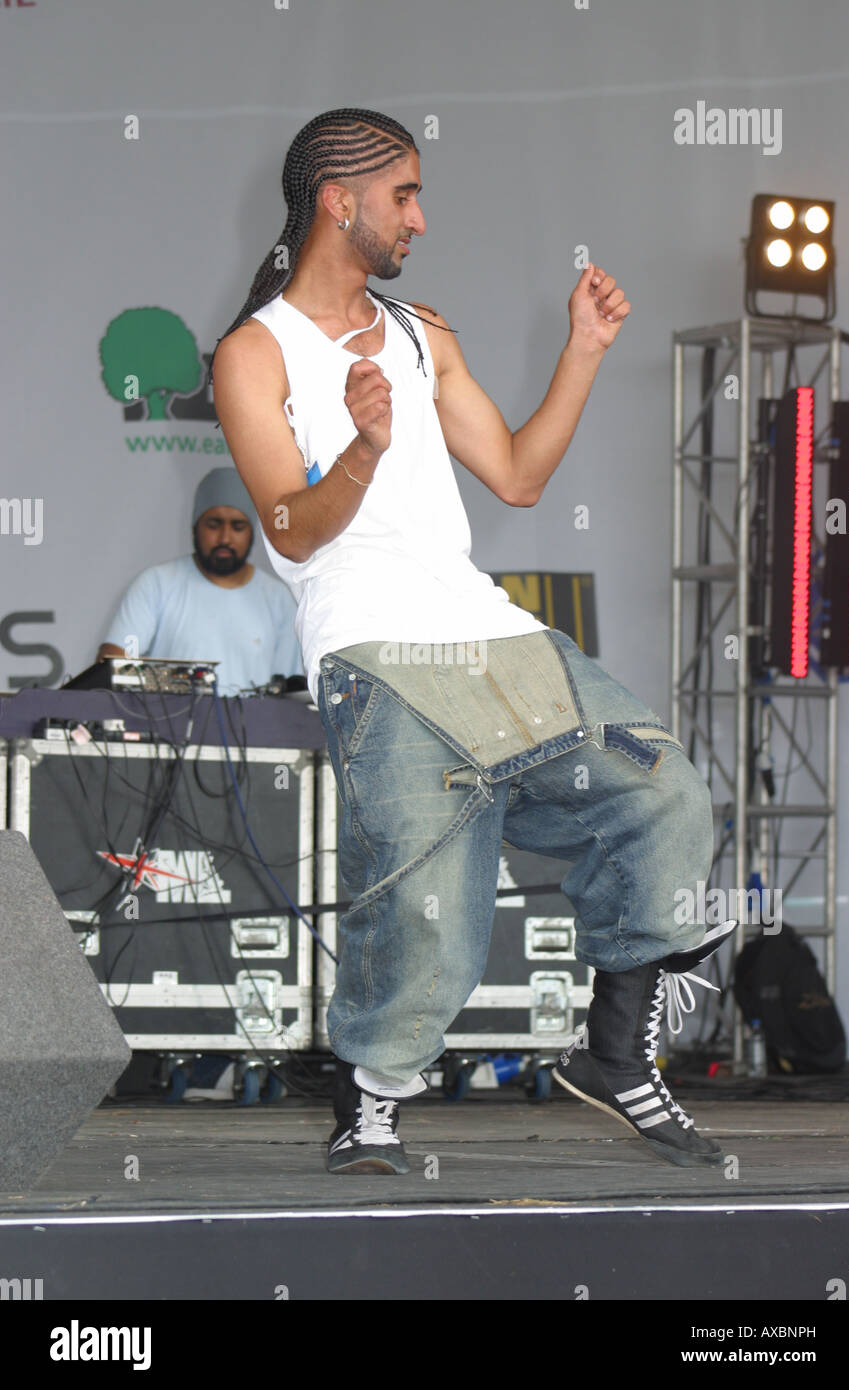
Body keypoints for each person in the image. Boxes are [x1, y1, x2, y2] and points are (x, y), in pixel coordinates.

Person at [211, 108, 735, 1175]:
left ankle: (614, 1052)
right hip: (371, 645)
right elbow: (288, 528)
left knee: (660, 788)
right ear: (336, 200)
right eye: (402, 193)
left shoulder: (419, 334)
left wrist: (581, 351)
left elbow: (518, 476)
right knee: (423, 894)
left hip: (484, 629)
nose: (418, 215)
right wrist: (359, 448)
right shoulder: (251, 353)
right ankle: (371, 1107)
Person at [98, 467, 301, 693]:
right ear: (195, 527)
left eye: (237, 527)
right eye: (214, 525)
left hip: (254, 727)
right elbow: (114, 665)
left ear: (252, 532)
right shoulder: (156, 585)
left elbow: (291, 688)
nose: (225, 538)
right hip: (169, 726)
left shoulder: (278, 598)